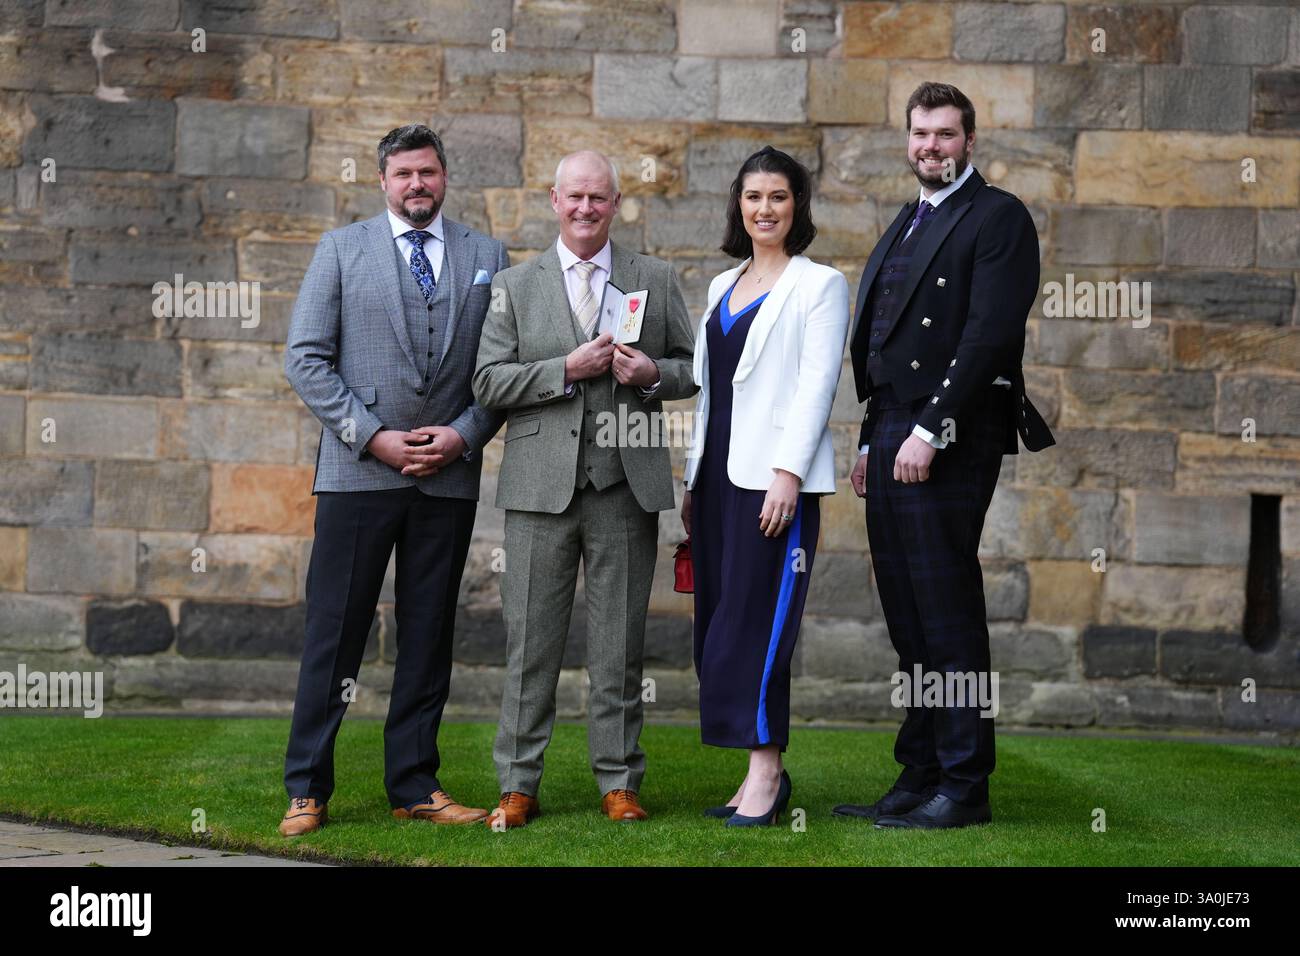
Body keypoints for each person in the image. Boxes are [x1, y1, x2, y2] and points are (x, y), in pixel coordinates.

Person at [833, 82, 1055, 830]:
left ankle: (965, 785)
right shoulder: (909, 217)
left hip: (952, 432)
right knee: (909, 612)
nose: (932, 146)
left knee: (948, 609)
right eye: (921, 133)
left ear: (969, 141)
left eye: (946, 135)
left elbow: (988, 333)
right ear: (908, 139)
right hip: (895, 426)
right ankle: (921, 768)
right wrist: (872, 437)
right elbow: (886, 337)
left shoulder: (997, 217)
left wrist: (930, 430)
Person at [279, 124, 509, 836]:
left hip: (445, 481)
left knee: (429, 633)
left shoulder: (487, 255)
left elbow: (500, 369)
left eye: (429, 173)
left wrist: (464, 435)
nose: (417, 185)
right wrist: (372, 437)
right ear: (383, 181)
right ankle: (307, 788)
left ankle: (415, 783)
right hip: (356, 477)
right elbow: (305, 359)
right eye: (404, 174)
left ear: (445, 178)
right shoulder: (341, 250)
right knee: (334, 632)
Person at [472, 150, 697, 828]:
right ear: (553, 200)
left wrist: (652, 374)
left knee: (620, 647)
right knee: (530, 646)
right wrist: (563, 369)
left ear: (616, 202)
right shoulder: (516, 284)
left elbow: (692, 370)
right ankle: (517, 782)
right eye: (574, 197)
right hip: (540, 491)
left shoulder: (652, 278)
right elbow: (487, 382)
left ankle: (620, 781)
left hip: (625, 485)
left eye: (598, 198)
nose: (585, 208)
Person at [682, 146, 850, 827]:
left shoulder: (821, 285)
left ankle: (767, 773)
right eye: (753, 197)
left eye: (778, 197)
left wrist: (788, 475)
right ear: (739, 207)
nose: (765, 209)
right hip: (718, 481)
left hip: (774, 486)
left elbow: (817, 388)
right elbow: (709, 393)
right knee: (717, 626)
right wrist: (693, 481)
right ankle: (756, 769)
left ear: (796, 206)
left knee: (758, 627)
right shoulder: (723, 287)